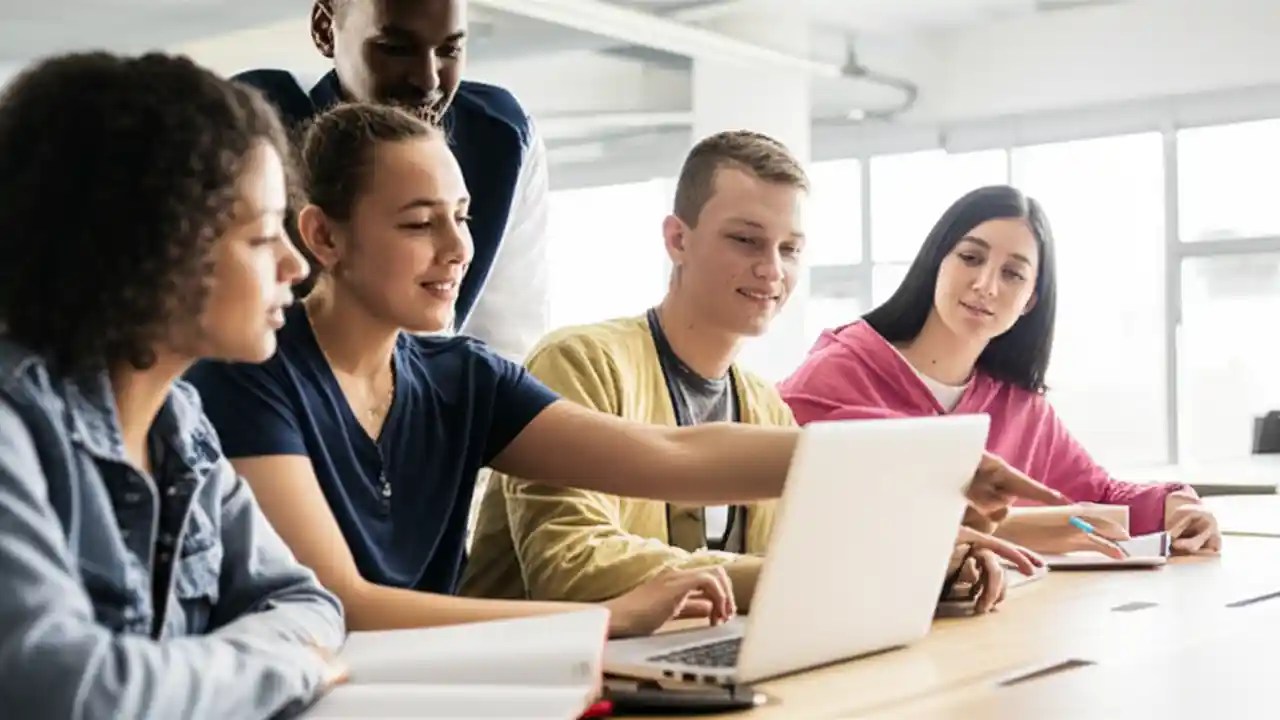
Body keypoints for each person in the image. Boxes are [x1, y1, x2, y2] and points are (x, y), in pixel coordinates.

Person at [185, 105, 1064, 636]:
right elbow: (350, 608)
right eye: (421, 223)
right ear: (324, 237)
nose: (460, 248)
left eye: (462, 215)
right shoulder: (250, 376)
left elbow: (670, 455)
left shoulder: (461, 377)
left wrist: (914, 469)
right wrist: (603, 621)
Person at [0, 52, 346, 719]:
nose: (296, 266)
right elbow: (75, 693)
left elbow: (308, 605)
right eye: (261, 236)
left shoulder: (181, 425)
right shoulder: (12, 426)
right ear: (146, 246)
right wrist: (287, 665)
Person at [461, 130, 805, 610]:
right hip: (551, 675)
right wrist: (785, 581)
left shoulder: (767, 408)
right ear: (677, 239)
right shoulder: (578, 362)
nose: (772, 269)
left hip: (694, 664)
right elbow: (571, 564)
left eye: (789, 249)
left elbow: (808, 555)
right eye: (746, 240)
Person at [778, 185, 1221, 555]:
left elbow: (1100, 495)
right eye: (971, 258)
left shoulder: (1019, 406)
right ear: (938, 260)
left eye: (1012, 274)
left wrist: (1177, 507)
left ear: (1029, 301)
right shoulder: (836, 376)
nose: (985, 285)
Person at [235, 0, 548, 361]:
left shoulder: (505, 138)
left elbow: (506, 341)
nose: (427, 80)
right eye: (396, 49)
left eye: (450, 49)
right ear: (325, 29)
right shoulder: (257, 124)